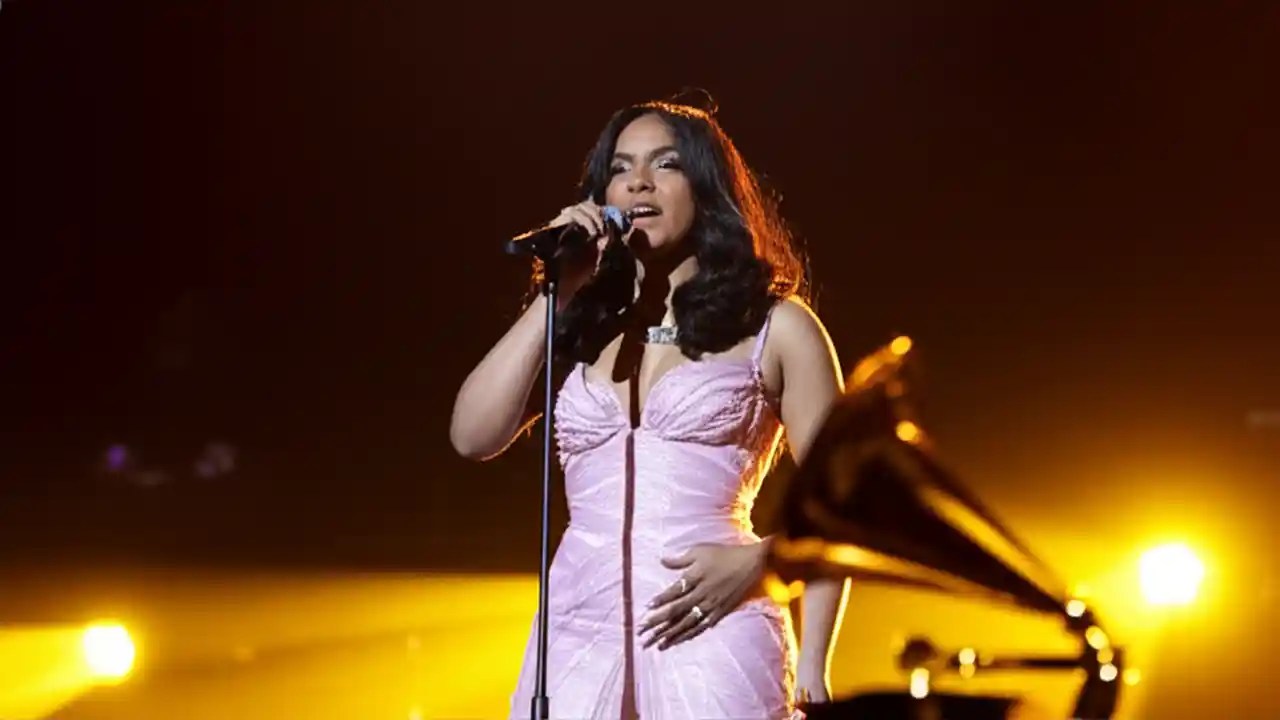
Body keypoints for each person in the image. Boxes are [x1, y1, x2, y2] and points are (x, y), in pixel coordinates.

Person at [450, 98, 850, 719]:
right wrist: (560, 292)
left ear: (706, 188)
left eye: (666, 165)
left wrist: (769, 572)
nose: (639, 181)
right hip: (575, 639)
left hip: (713, 628)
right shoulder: (581, 325)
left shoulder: (778, 328)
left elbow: (847, 502)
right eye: (620, 168)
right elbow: (472, 436)